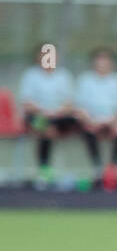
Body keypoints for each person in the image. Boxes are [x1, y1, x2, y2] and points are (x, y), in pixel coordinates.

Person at [16, 44, 77, 190]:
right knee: (46, 129)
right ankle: (45, 171)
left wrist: (56, 112)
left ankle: (50, 172)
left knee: (69, 122)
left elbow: (70, 104)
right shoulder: (30, 75)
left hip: (59, 116)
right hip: (38, 117)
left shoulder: (64, 76)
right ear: (38, 57)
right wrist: (43, 111)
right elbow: (27, 103)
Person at [73, 47, 117, 191]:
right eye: (99, 62)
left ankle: (112, 169)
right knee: (88, 129)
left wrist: (111, 121)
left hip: (112, 121)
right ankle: (98, 169)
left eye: (105, 62)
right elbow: (79, 107)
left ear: (111, 64)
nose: (102, 65)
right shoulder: (85, 80)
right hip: (91, 121)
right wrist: (90, 121)